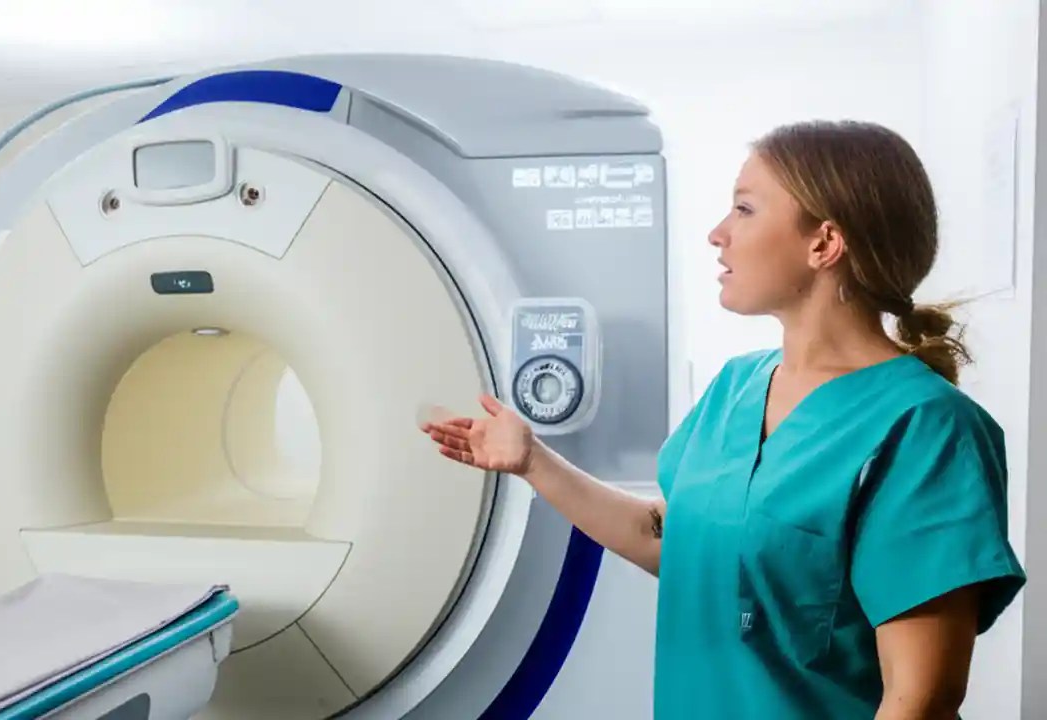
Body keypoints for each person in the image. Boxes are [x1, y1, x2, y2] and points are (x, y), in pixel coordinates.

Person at [421, 120, 1026, 719]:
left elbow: (920, 699)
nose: (718, 234)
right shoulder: (737, 386)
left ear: (823, 243)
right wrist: (533, 462)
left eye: (744, 209)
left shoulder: (925, 429)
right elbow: (674, 539)